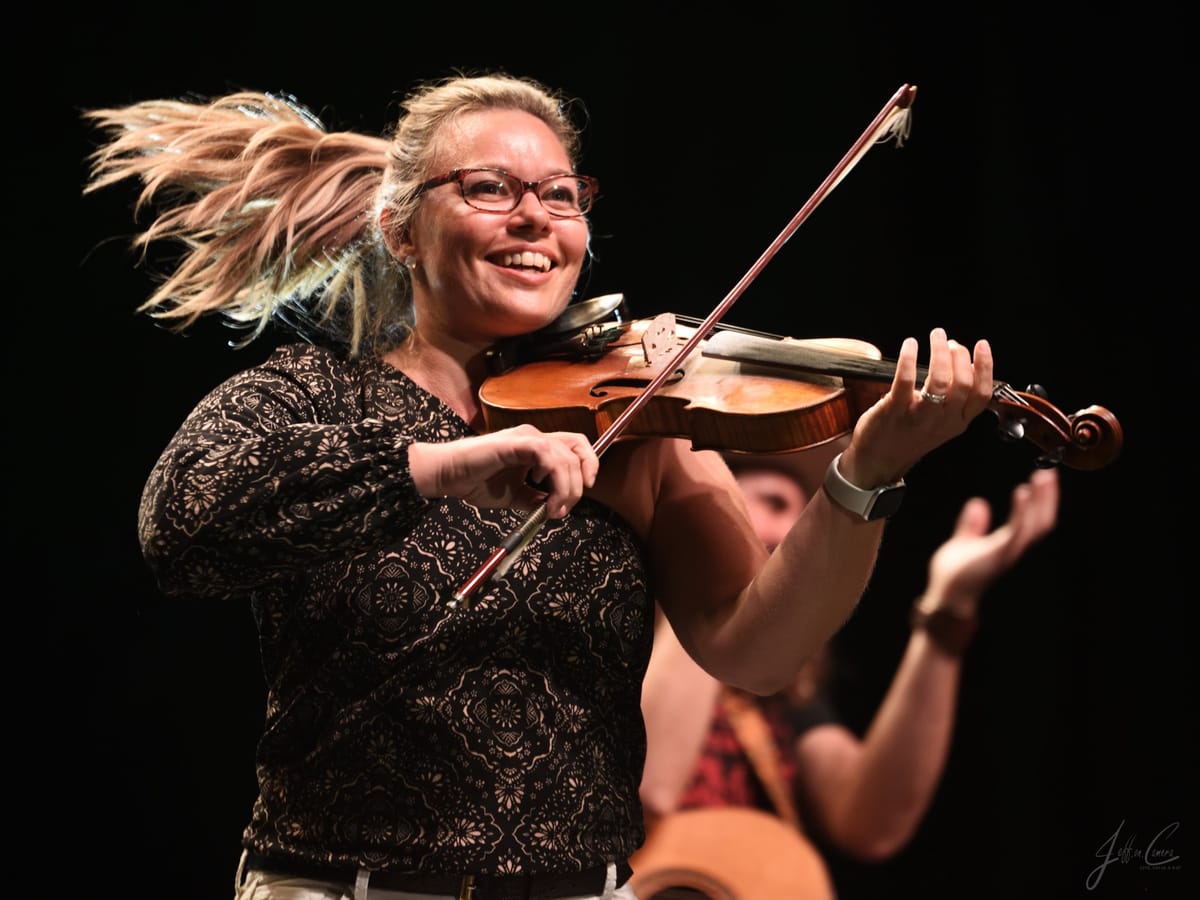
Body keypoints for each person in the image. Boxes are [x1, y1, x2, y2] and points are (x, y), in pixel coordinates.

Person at [82, 71, 999, 900]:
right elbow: (184, 525)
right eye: (491, 189)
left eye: (561, 195)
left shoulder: (635, 425)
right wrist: (445, 464)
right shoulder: (312, 394)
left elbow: (755, 652)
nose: (536, 218)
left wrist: (865, 475)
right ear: (401, 227)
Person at [635, 449, 1059, 896]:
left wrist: (947, 613)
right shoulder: (620, 641)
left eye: (799, 524)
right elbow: (651, 788)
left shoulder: (774, 699)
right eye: (772, 504)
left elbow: (872, 823)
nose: (788, 538)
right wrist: (720, 564)